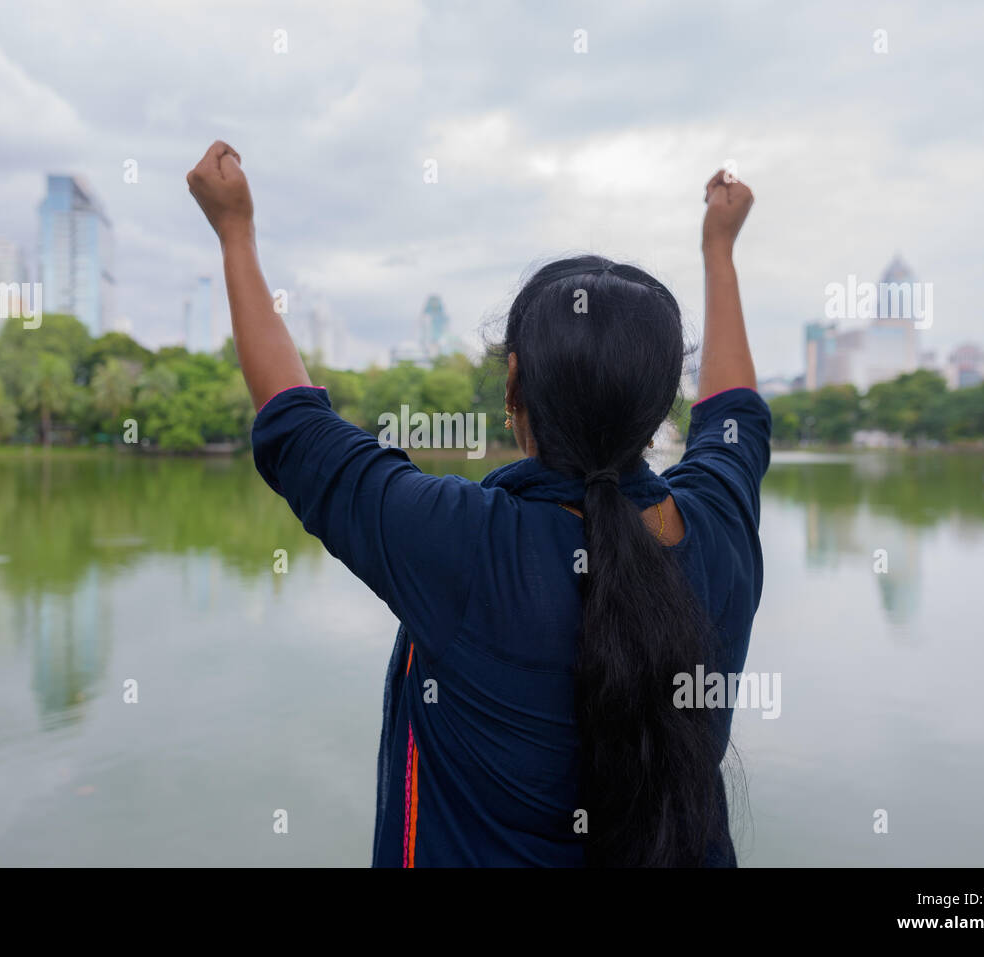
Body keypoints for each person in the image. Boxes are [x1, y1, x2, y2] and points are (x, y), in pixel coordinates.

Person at [187, 142, 770, 867]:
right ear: (660, 406)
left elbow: (295, 428)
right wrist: (721, 250)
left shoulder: (464, 546)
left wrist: (235, 232)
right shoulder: (718, 529)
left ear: (513, 385)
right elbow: (735, 415)